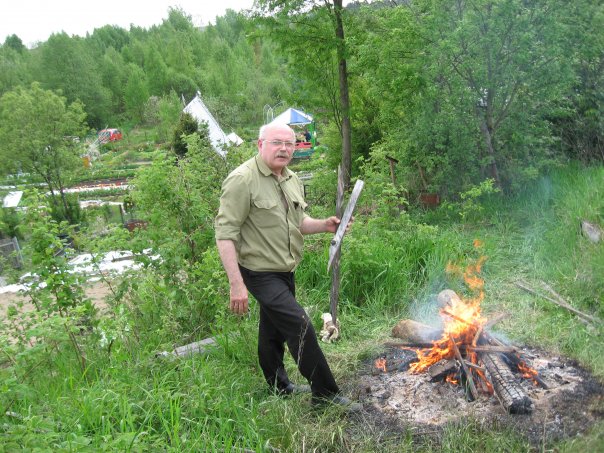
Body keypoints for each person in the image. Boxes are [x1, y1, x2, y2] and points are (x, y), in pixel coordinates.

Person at [215, 122, 360, 410]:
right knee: (299, 324)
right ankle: (325, 395)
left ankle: (278, 386)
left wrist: (325, 225)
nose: (283, 149)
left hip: (285, 269)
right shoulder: (242, 180)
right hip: (258, 272)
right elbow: (225, 234)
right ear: (260, 145)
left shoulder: (291, 178)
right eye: (277, 143)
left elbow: (298, 222)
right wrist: (236, 283)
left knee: (273, 328)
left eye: (289, 144)